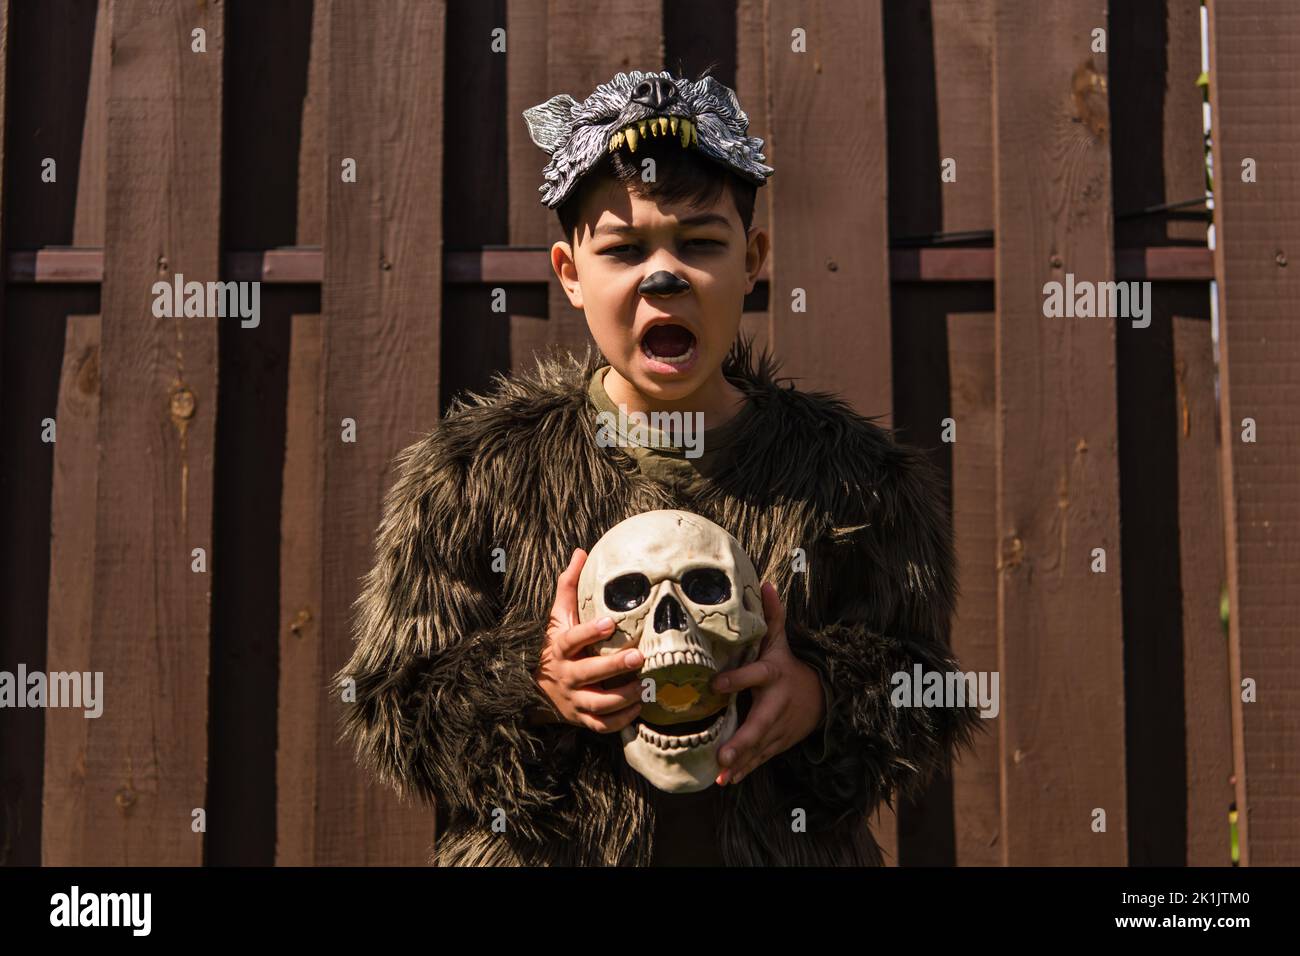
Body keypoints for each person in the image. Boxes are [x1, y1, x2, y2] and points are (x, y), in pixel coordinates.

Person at [337, 69, 981, 866]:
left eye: (700, 243)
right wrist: (531, 684)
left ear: (752, 260)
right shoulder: (471, 475)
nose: (664, 276)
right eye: (625, 248)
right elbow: (389, 703)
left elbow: (931, 693)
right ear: (571, 273)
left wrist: (822, 698)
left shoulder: (858, 479)